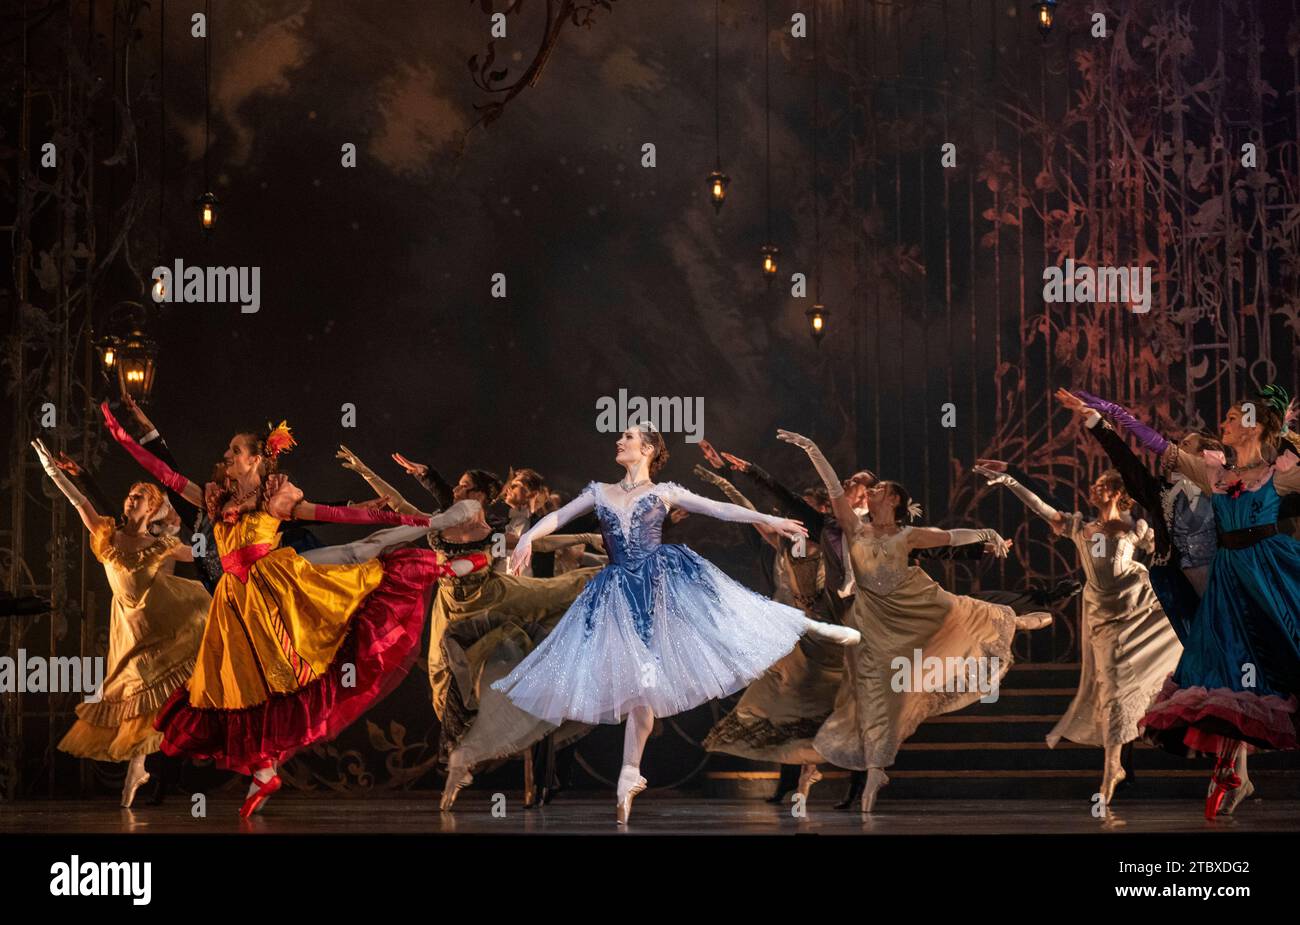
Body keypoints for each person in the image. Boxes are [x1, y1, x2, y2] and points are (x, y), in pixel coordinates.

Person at [98, 401, 481, 816]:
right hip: (232, 604)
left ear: (256, 457)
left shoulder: (273, 498)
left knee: (363, 566)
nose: (226, 456)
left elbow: (332, 513)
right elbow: (167, 476)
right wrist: (123, 439)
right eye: (228, 451)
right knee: (242, 689)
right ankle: (265, 772)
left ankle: (447, 564)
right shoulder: (213, 498)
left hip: (273, 590)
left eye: (235, 451)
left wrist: (411, 520)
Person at [492, 422, 861, 824]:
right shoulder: (600, 492)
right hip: (618, 592)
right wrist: (527, 538)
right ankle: (630, 772)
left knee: (724, 616)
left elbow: (719, 509)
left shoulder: (665, 491)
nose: (620, 441)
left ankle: (810, 626)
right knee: (639, 688)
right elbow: (558, 517)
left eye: (628, 437)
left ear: (648, 449)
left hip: (659, 585)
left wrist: (771, 522)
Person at [780, 429, 1052, 812]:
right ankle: (876, 768)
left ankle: (1012, 622)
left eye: (878, 490)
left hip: (915, 604)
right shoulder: (854, 528)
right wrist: (812, 447)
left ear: (892, 499)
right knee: (878, 696)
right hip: (873, 622)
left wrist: (984, 532)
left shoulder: (907, 536)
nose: (869, 492)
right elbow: (833, 489)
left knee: (963, 610)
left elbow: (948, 536)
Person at [1077, 386, 1300, 817]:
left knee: (1281, 655)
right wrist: (1108, 412)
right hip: (1228, 581)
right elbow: (1156, 444)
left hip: (1269, 571)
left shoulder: (1281, 472)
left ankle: (1234, 769)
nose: (1225, 424)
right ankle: (1233, 769)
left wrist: (1290, 438)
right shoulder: (1213, 474)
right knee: (1226, 669)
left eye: (1234, 417)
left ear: (1254, 424)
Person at [973, 460, 1182, 805]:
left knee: (1117, 690)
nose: (1093, 490)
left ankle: (1113, 768)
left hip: (1138, 609)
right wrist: (1011, 480)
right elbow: (1043, 508)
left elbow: (1167, 556)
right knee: (1111, 689)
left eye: (1101, 485)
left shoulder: (1136, 526)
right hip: (1103, 618)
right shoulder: (1081, 526)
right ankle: (1116, 766)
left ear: (1117, 492)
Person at [32, 439, 208, 807]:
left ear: (153, 508)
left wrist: (230, 526)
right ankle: (139, 768)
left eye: (139, 496)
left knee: (161, 695)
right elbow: (80, 503)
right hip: (130, 629)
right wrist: (54, 473)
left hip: (167, 623)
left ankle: (145, 769)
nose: (131, 499)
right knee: (132, 696)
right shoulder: (108, 535)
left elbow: (202, 552)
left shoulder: (161, 545)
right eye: (130, 495)